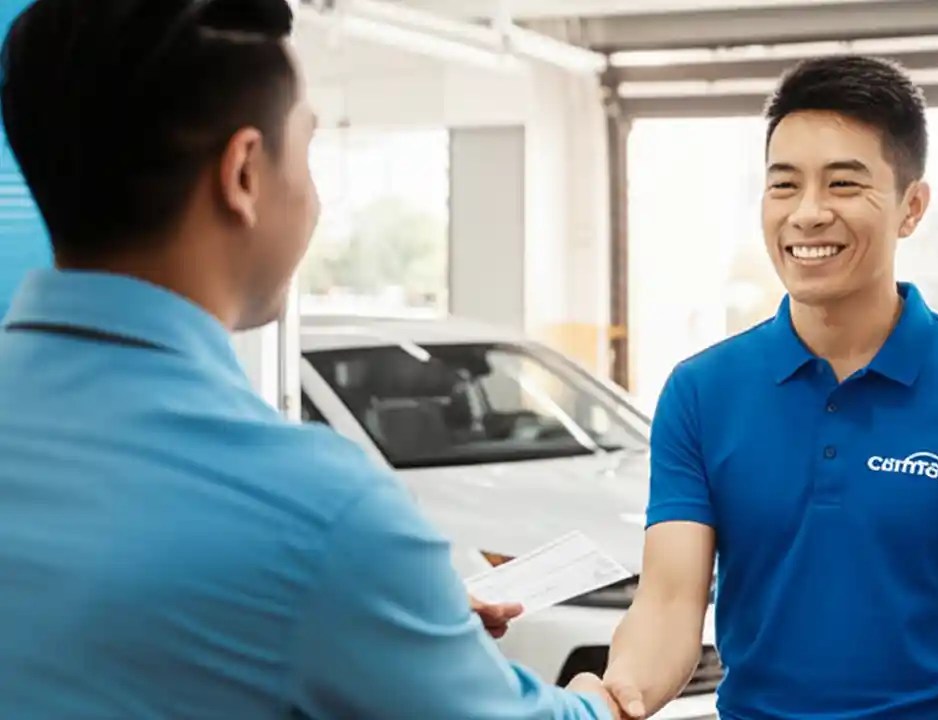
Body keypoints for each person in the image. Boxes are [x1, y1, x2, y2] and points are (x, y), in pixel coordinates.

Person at [0, 1, 616, 718]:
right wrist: (594, 703)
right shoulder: (316, 513)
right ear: (244, 173)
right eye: (307, 148)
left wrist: (379, 616)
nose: (316, 199)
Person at [601, 55, 938, 720]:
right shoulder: (701, 393)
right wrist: (612, 696)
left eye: (843, 184)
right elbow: (667, 602)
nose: (807, 213)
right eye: (784, 185)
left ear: (912, 207)